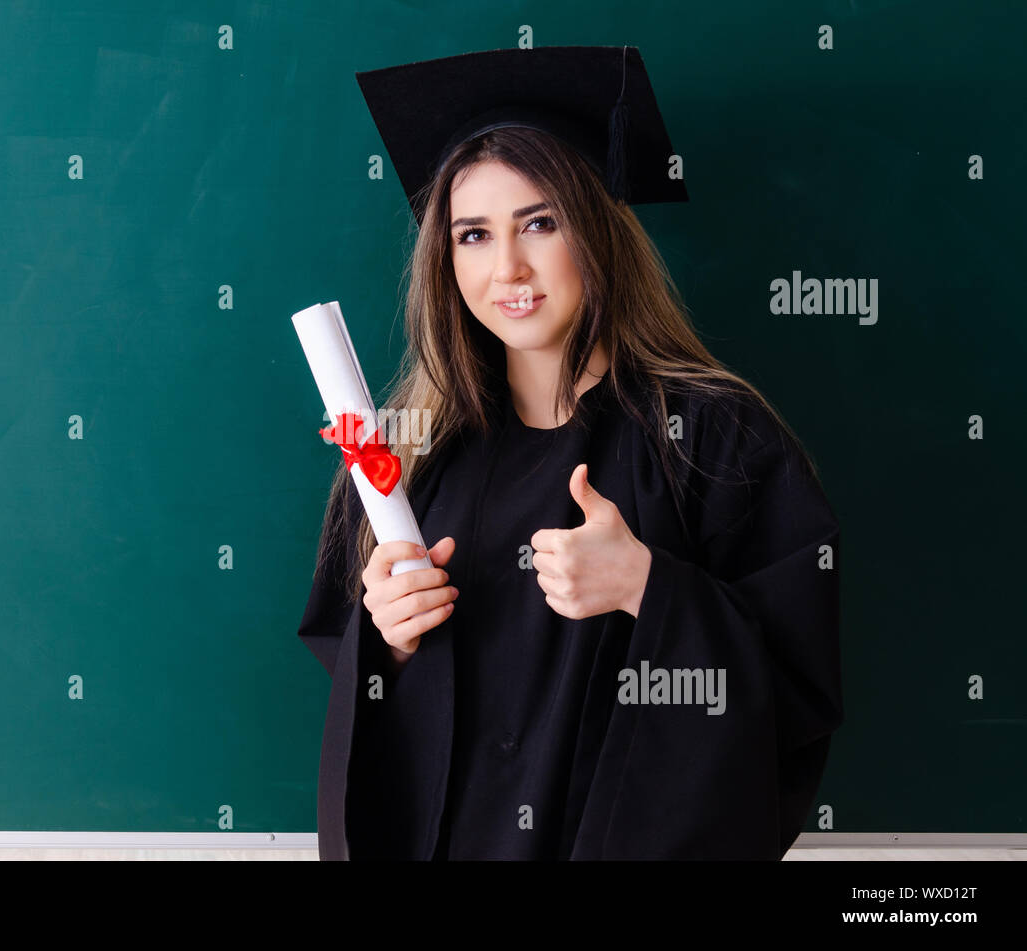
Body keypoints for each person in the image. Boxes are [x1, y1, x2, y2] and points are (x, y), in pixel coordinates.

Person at [296, 46, 843, 860]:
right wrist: (389, 643)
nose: (507, 267)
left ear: (598, 230)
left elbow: (798, 690)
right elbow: (360, 698)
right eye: (473, 235)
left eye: (540, 223)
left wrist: (651, 590)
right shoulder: (408, 455)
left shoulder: (717, 439)